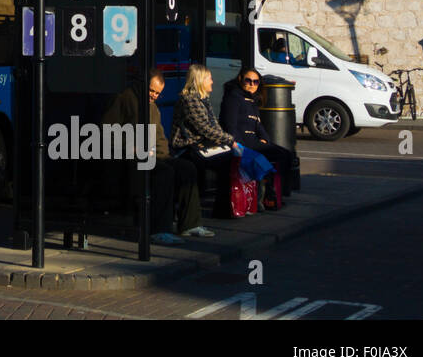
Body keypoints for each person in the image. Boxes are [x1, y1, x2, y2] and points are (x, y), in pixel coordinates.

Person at [104, 68, 212, 245]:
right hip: (130, 158)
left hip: (154, 155)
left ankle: (190, 224)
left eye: (157, 93)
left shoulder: (152, 107)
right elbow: (107, 131)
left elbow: (159, 136)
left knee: (187, 169)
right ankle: (159, 229)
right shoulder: (124, 98)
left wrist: (166, 155)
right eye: (152, 91)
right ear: (142, 85)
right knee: (164, 173)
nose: (154, 96)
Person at [169, 63, 242, 217]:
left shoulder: (203, 99)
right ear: (200, 80)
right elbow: (204, 128)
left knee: (228, 157)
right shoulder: (189, 100)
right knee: (224, 161)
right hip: (187, 147)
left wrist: (226, 140)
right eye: (209, 78)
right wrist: (229, 140)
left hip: (201, 145)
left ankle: (224, 208)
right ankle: (221, 209)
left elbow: (214, 125)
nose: (212, 81)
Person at [221, 68, 294, 200]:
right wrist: (237, 145)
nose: (251, 84)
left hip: (254, 141)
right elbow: (229, 125)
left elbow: (258, 124)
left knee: (286, 154)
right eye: (248, 80)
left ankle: (278, 193)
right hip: (242, 142)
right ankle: (269, 195)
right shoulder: (233, 97)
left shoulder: (253, 99)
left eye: (255, 82)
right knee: (269, 157)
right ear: (240, 79)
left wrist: (265, 139)